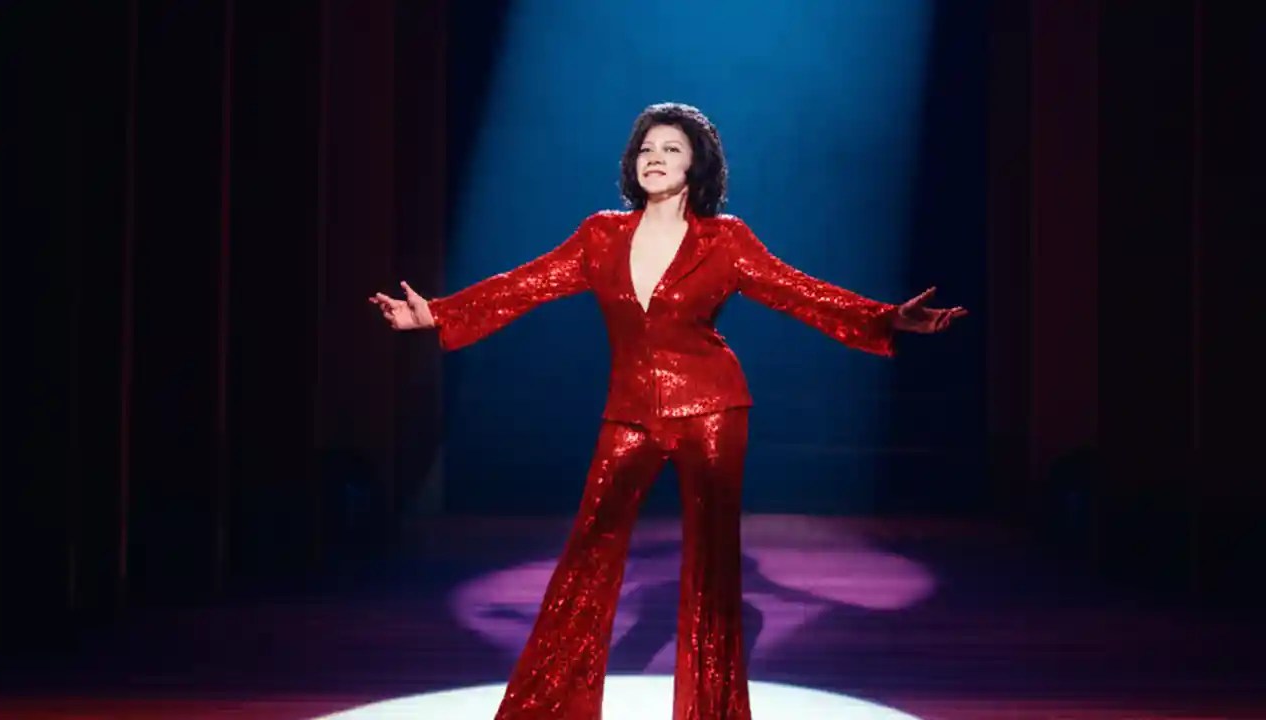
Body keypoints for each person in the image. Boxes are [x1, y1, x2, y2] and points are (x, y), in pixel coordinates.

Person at [370, 102, 966, 720]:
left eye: (671, 149)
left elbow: (798, 291)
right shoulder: (599, 234)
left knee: (710, 564)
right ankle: (549, 709)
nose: (654, 157)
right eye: (646, 148)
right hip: (629, 411)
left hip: (711, 408)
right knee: (587, 554)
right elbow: (529, 281)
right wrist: (439, 313)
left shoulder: (726, 240)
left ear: (697, 166)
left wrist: (885, 318)